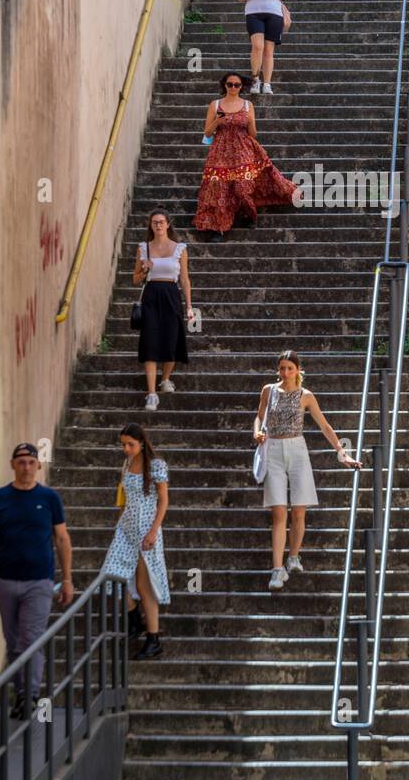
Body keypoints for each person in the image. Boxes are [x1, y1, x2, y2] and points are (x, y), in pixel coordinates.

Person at [0, 443, 73, 719]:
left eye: (31, 462)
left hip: (40, 582)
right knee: (12, 643)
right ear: (12, 465)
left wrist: (67, 579)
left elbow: (61, 538)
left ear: (38, 466)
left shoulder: (49, 498)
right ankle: (22, 695)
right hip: (7, 581)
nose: (26, 467)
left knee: (29, 640)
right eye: (20, 462)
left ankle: (30, 695)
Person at [254, 351, 360, 591]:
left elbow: (324, 425)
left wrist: (342, 452)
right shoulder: (268, 390)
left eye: (290, 368)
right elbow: (259, 418)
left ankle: (293, 556)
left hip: (297, 450)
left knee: (299, 511)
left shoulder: (306, 395)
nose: (285, 373)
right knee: (279, 512)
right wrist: (257, 432)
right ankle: (277, 569)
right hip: (273, 449)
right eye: (282, 368)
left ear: (298, 370)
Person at [192, 72, 296, 242]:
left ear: (241, 87)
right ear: (224, 85)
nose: (233, 88)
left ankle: (248, 214)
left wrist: (250, 122)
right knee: (218, 187)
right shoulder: (215, 104)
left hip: (243, 149)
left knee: (243, 185)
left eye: (237, 85)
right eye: (230, 84)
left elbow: (253, 134)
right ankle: (218, 228)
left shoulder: (248, 105)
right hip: (220, 150)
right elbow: (207, 132)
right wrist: (217, 122)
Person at [101, 424, 170, 660]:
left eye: (130, 444)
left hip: (146, 529)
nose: (126, 449)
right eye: (123, 444)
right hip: (126, 528)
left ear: (141, 442)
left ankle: (153, 639)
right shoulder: (127, 464)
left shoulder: (156, 465)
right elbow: (124, 497)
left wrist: (153, 531)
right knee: (114, 576)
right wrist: (119, 521)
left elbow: (163, 501)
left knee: (143, 585)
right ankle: (134, 622)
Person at [133, 207, 193, 411]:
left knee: (171, 339)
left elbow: (184, 279)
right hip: (151, 294)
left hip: (171, 294)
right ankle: (151, 394)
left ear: (168, 224)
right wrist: (144, 269)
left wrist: (189, 306)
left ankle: (165, 379)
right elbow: (135, 279)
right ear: (151, 226)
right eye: (154, 222)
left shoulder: (180, 248)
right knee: (150, 341)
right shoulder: (143, 248)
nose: (158, 225)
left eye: (161, 221)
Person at [236, 0, 289, 96]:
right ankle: (255, 80)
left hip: (274, 12)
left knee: (268, 50)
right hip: (253, 12)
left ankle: (267, 83)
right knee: (257, 46)